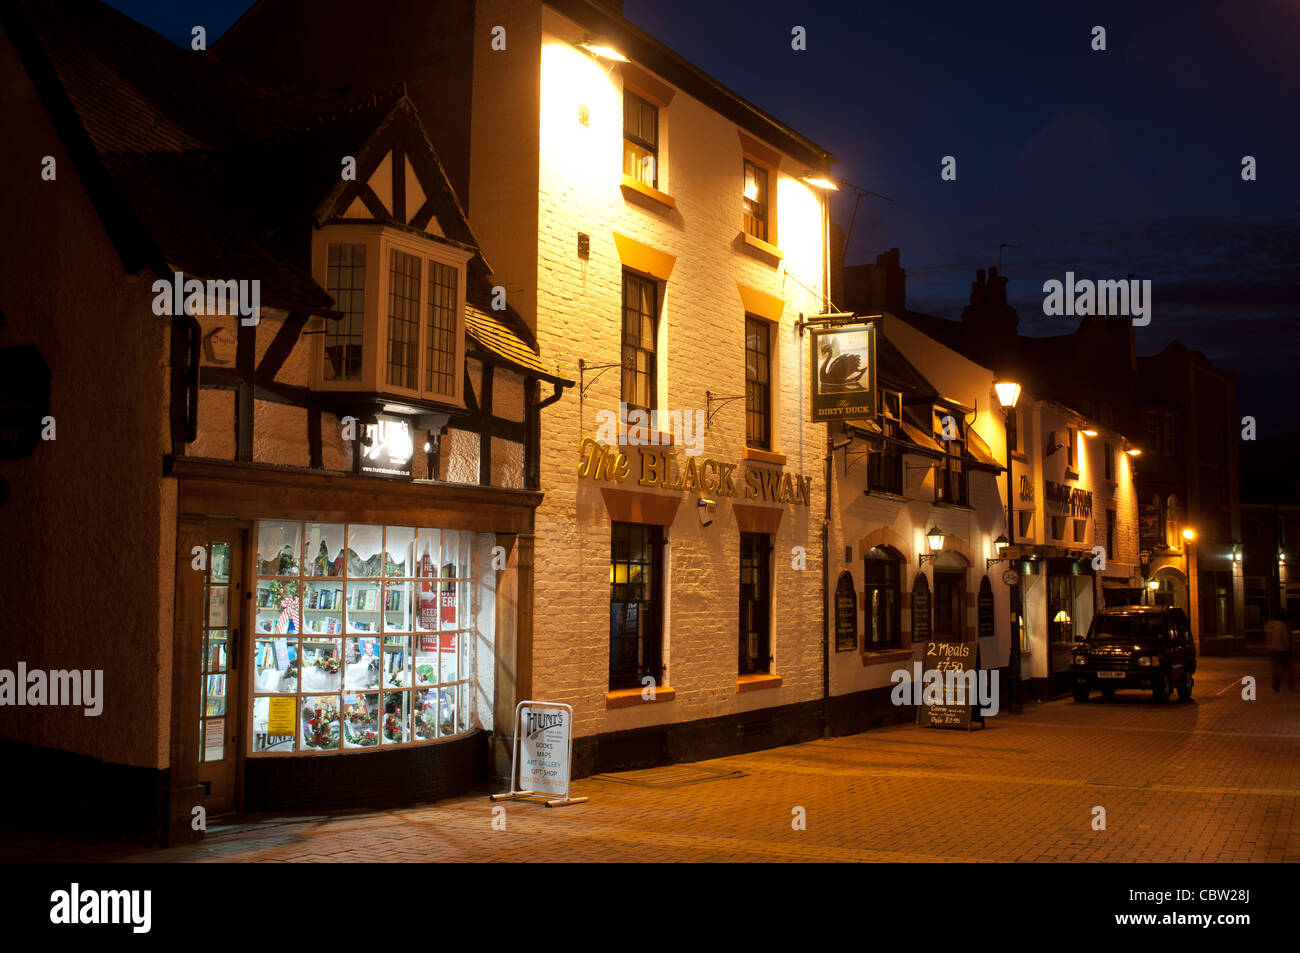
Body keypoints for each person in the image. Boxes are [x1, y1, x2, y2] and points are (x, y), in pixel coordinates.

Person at [1264, 613, 1294, 692]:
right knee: (1288, 668)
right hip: (1282, 650)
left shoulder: (1269, 625)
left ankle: (1275, 685)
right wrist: (1288, 648)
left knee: (1275, 669)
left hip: (1272, 650)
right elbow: (1284, 638)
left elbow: (1268, 637)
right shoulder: (1281, 625)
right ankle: (1290, 685)